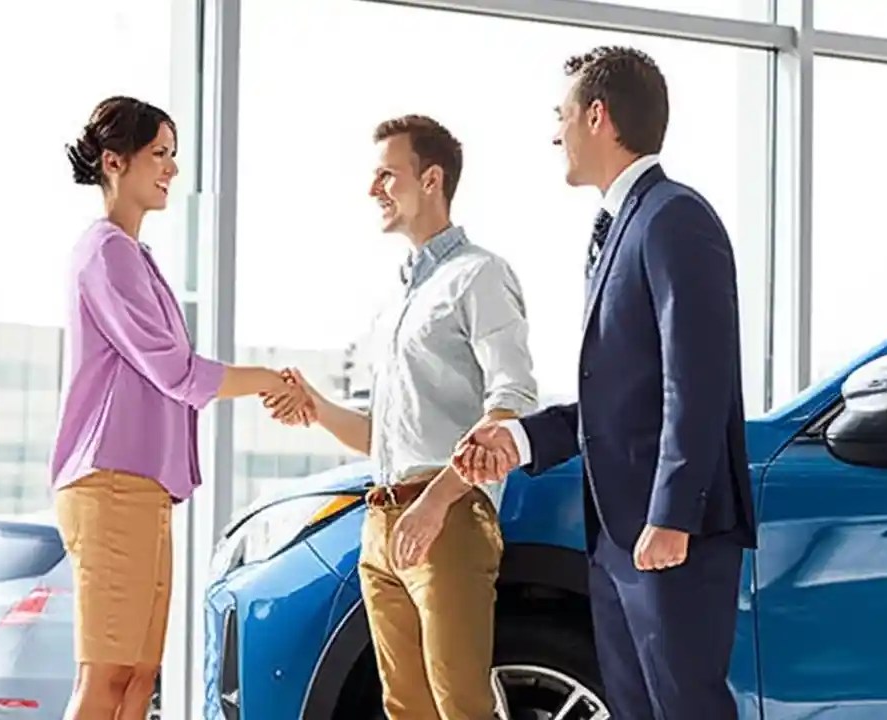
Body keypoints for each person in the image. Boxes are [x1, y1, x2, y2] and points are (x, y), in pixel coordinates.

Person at [453, 46, 757, 719]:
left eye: (561, 115)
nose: (554, 132)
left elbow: (697, 381)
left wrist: (672, 516)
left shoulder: (675, 218)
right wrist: (522, 438)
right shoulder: (622, 227)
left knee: (686, 708)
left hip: (669, 533)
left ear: (598, 116)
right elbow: (617, 399)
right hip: (619, 538)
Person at [51, 96, 312, 720]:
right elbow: (176, 371)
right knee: (108, 675)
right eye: (159, 155)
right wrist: (269, 380)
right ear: (115, 162)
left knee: (140, 679)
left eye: (174, 155)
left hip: (139, 487)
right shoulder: (107, 251)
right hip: (110, 483)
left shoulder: (133, 256)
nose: (171, 168)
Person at [274, 114, 537, 719]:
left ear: (432, 179)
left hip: (446, 519)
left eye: (387, 175)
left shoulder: (479, 275)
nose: (374, 190)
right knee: (405, 709)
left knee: (462, 706)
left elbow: (511, 401)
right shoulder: (396, 301)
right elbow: (382, 435)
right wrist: (314, 406)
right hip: (383, 522)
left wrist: (437, 500)